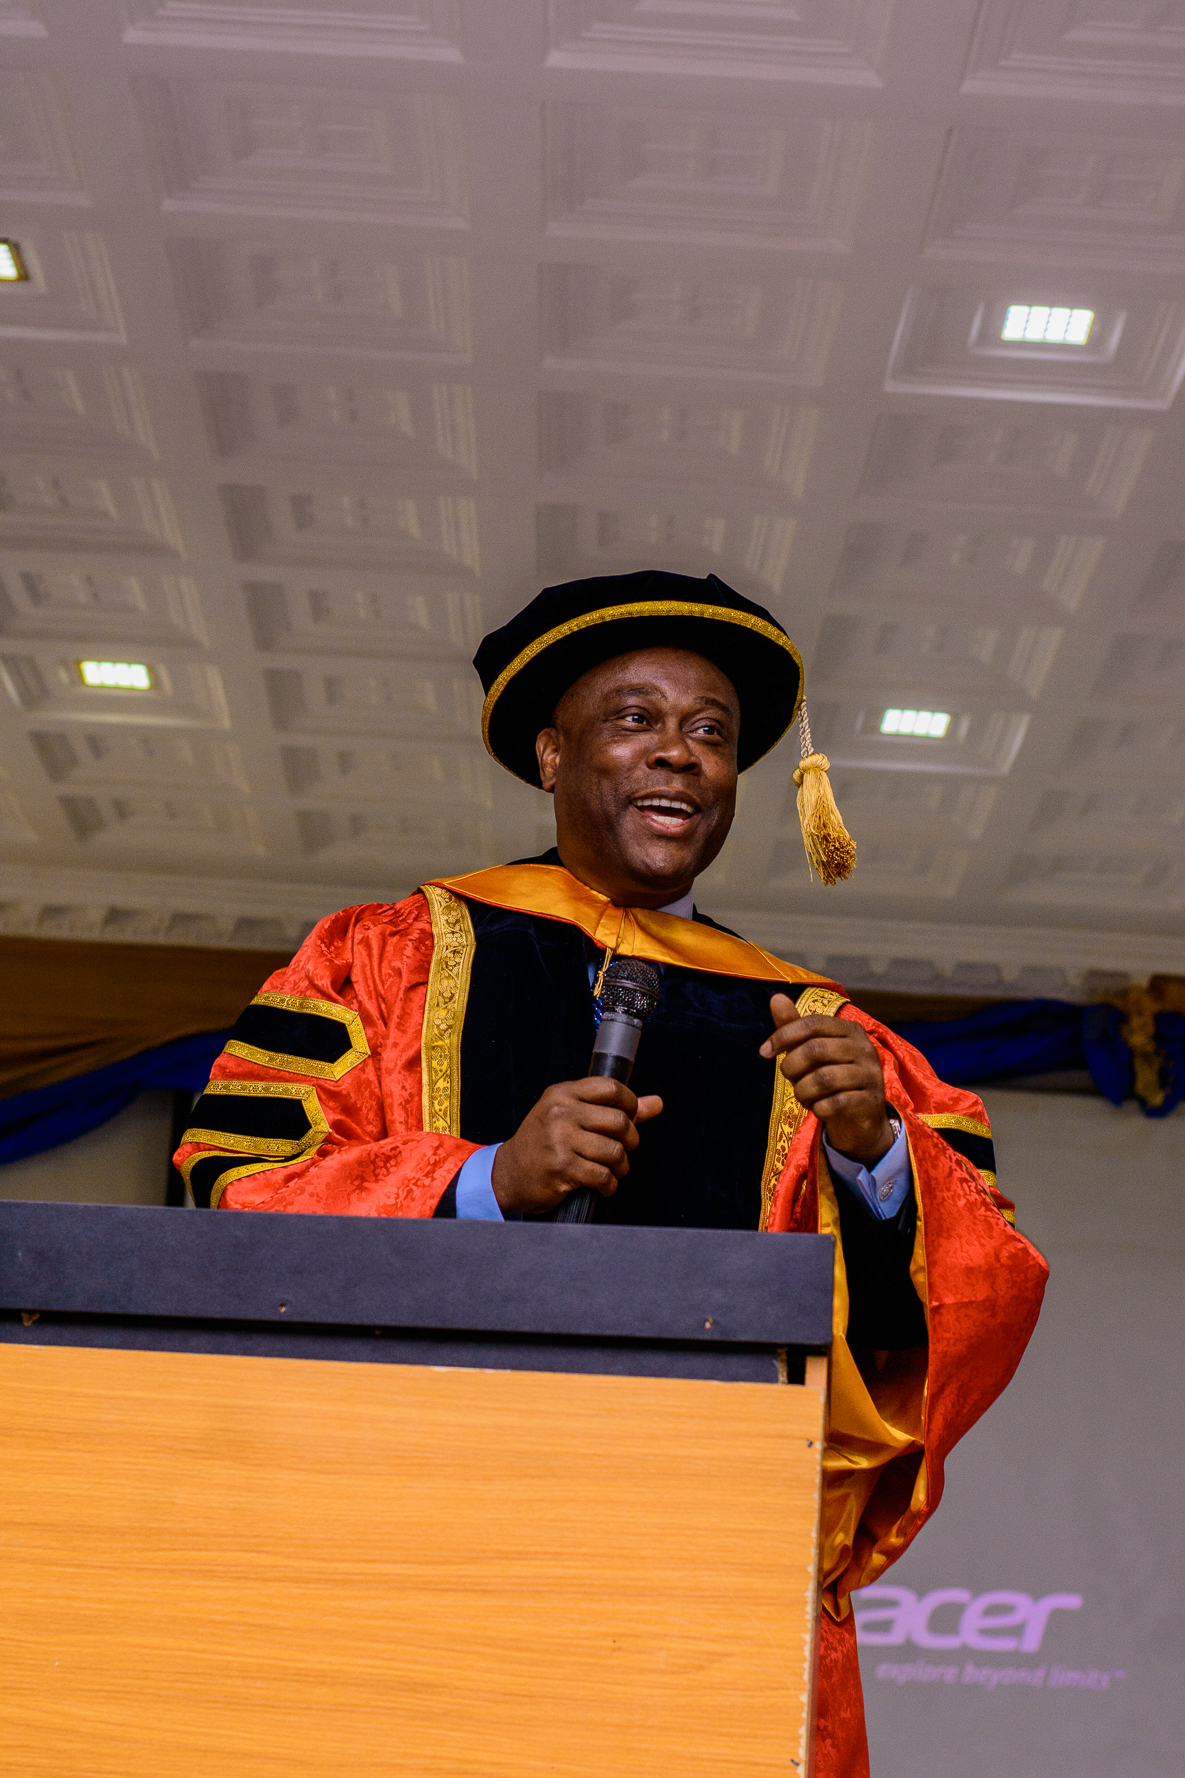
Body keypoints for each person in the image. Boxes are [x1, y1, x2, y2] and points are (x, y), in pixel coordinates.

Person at [176, 569, 1048, 1778]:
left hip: (697, 1568)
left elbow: (976, 1292)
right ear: (549, 752)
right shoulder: (386, 958)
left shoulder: (822, 1032)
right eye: (636, 717)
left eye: (711, 732)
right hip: (403, 1543)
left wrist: (876, 1157)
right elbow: (231, 1189)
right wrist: (484, 1177)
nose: (680, 755)